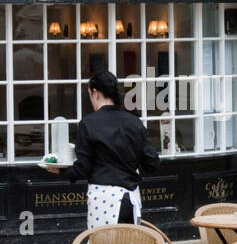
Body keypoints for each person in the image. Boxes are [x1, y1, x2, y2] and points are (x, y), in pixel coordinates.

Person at [42, 69, 160, 225]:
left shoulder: (88, 123)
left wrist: (60, 170)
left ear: (95, 93)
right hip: (130, 200)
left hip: (103, 200)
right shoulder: (135, 122)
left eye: (89, 94)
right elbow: (152, 163)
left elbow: (83, 168)